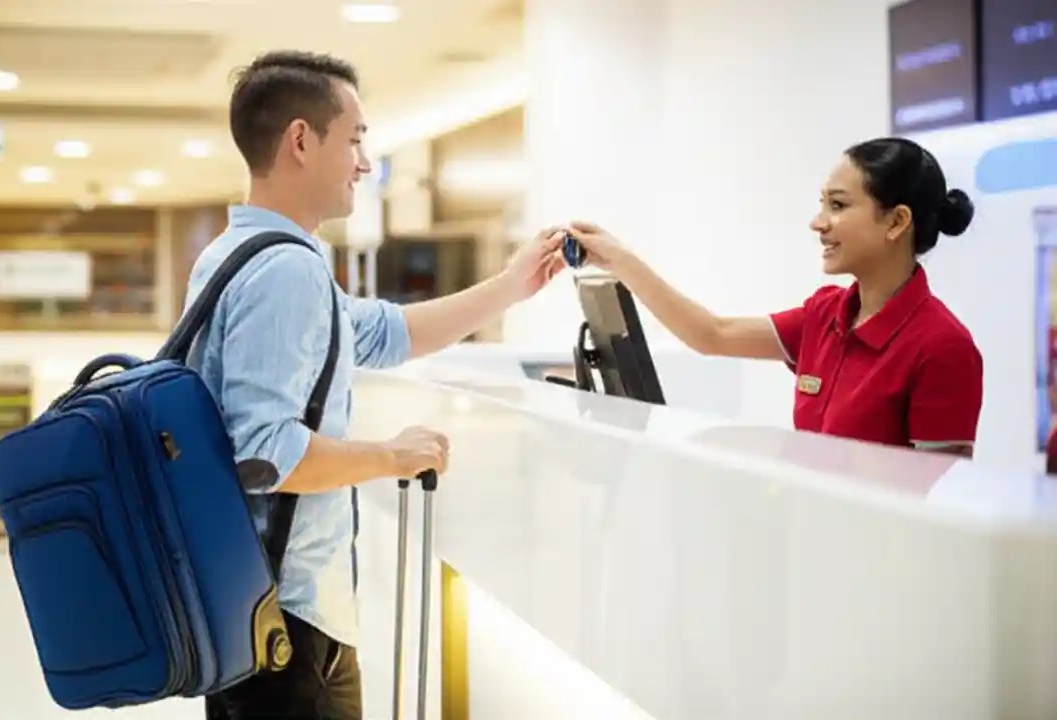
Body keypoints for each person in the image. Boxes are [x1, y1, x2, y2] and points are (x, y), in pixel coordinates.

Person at [187, 50, 567, 720]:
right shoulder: (285, 272)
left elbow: (384, 333)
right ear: (302, 140)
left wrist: (511, 286)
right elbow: (267, 453)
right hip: (288, 626)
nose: (365, 162)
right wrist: (392, 456)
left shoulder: (236, 255)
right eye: (356, 139)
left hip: (245, 606)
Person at [564, 137, 983, 456]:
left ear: (896, 221)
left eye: (837, 206)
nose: (818, 223)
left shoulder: (942, 347)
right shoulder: (826, 314)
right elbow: (712, 334)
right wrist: (619, 260)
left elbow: (938, 502)